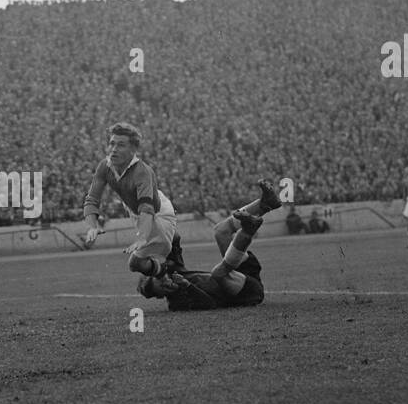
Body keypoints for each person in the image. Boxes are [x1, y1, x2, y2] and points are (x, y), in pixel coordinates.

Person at [138, 185, 283, 309]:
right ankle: (247, 231)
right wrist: (187, 285)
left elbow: (174, 238)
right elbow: (210, 304)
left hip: (244, 276)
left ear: (161, 273)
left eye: (162, 280)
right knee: (218, 273)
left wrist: (159, 230)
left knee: (221, 231)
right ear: (161, 296)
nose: (167, 284)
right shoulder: (177, 302)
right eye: (164, 288)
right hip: (247, 294)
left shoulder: (175, 271)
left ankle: (265, 204)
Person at [80, 122, 180, 281]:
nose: (113, 149)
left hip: (158, 212)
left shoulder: (142, 171)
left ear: (133, 150)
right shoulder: (104, 166)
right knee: (147, 261)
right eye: (112, 143)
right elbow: (91, 199)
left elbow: (147, 208)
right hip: (137, 210)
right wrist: (92, 226)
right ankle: (170, 261)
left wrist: (142, 237)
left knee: (134, 264)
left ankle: (165, 272)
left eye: (121, 145)